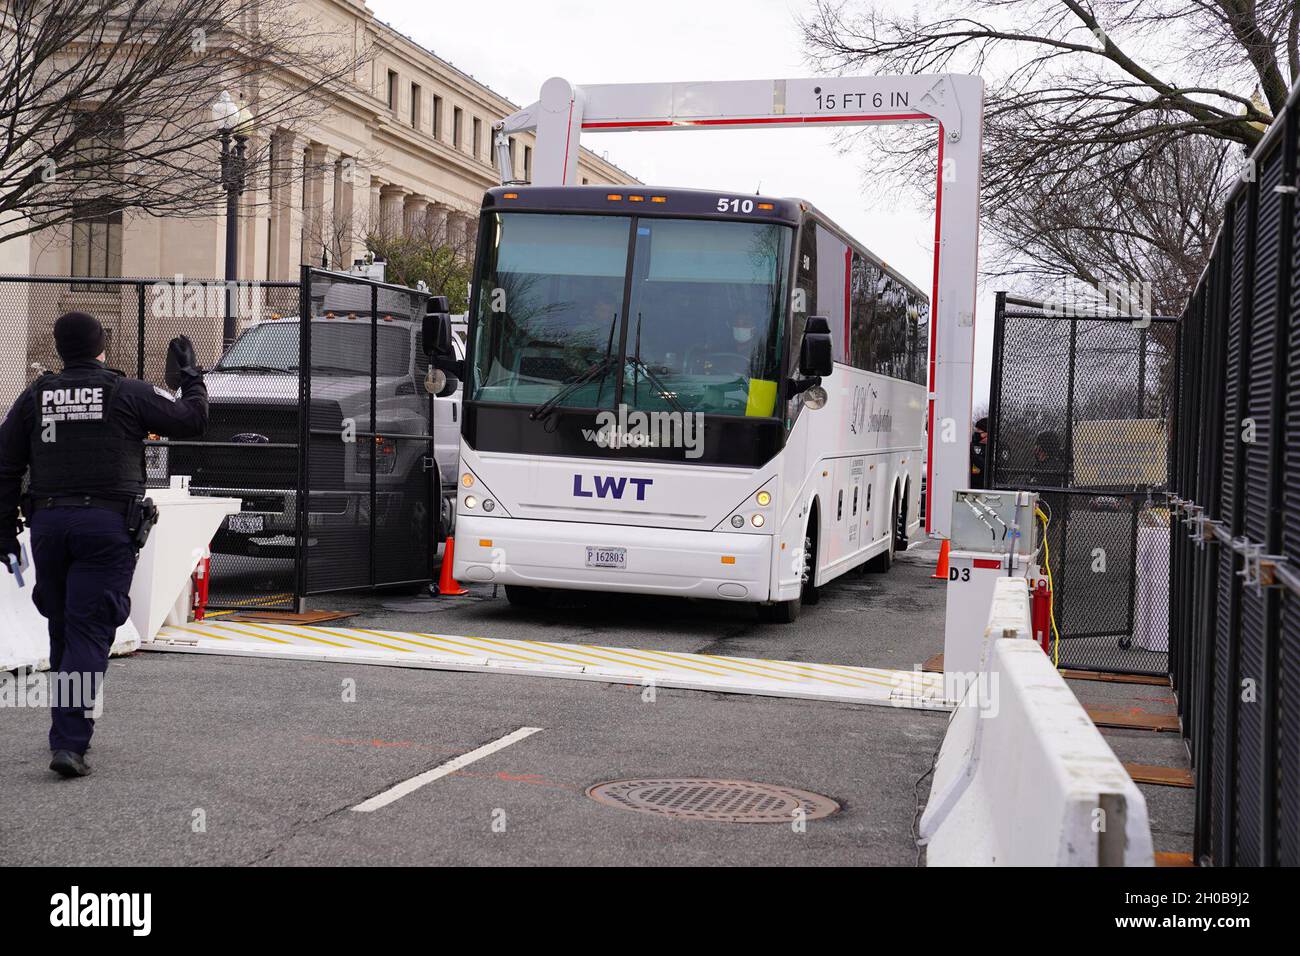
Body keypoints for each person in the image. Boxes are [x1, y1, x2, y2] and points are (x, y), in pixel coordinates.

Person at [0, 312, 208, 778]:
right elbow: (193, 421)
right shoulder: (126, 392)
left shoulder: (36, 396)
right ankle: (69, 741)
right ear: (101, 348)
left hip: (49, 525)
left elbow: (6, 463)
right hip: (105, 527)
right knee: (89, 629)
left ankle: (67, 722)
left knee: (64, 623)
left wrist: (2, 529)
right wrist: (191, 377)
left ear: (60, 350)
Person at [970, 416, 989, 488]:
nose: (976, 433)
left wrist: (973, 454)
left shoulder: (999, 447)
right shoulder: (973, 444)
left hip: (988, 489)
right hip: (972, 487)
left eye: (979, 431)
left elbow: (986, 466)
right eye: (976, 430)